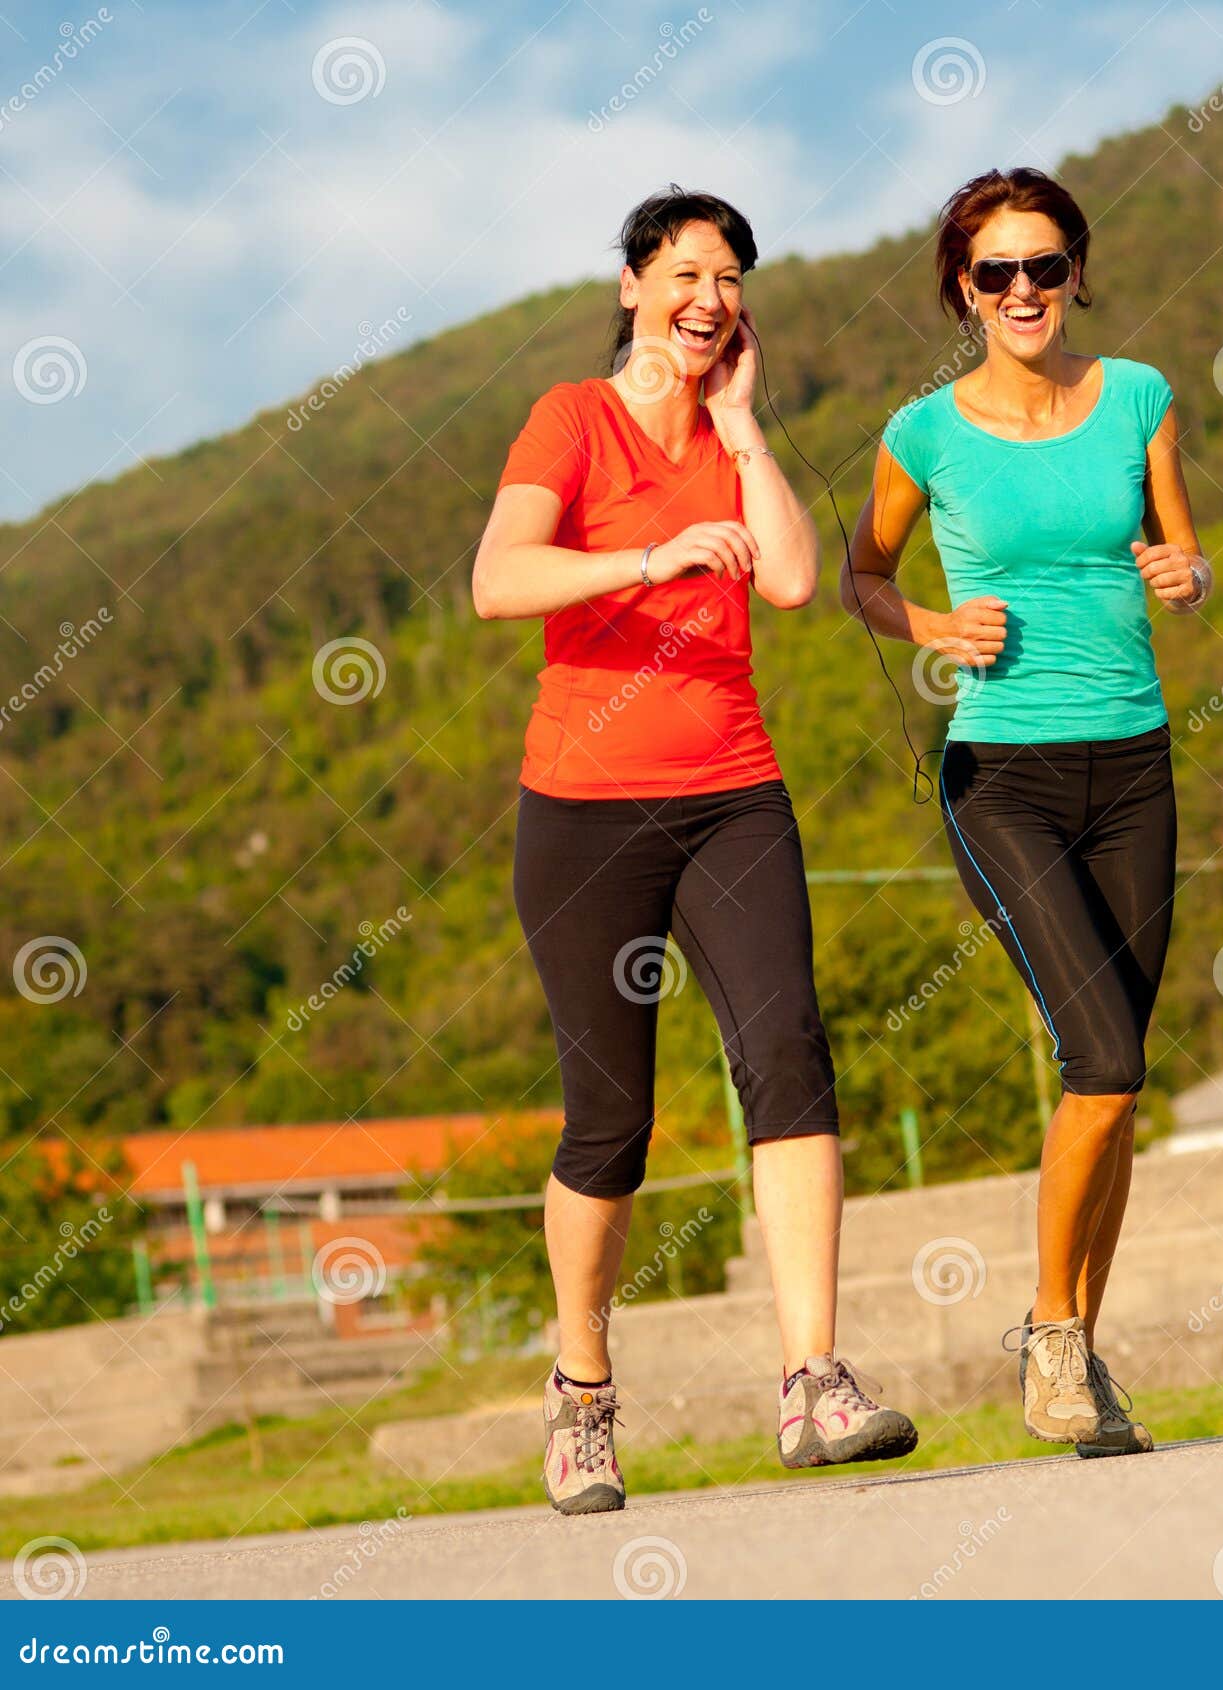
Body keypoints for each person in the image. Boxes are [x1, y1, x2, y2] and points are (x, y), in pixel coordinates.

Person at [473, 187, 917, 1515]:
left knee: (787, 1050)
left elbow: (789, 580)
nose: (707, 295)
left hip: (733, 792)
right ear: (631, 286)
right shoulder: (574, 417)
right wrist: (652, 554)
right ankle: (585, 1389)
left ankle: (812, 1379)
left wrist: (741, 429)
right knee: (613, 1119)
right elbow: (500, 578)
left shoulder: (734, 441)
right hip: (584, 807)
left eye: (727, 275)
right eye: (682, 270)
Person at [842, 167, 1213, 1458]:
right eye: (994, 271)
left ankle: (1075, 1350)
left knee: (1116, 1084)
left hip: (1138, 768)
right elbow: (863, 577)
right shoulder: (923, 434)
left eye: (1042, 266)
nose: (1021, 291)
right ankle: (1054, 1337)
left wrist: (1188, 572)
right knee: (1104, 1060)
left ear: (1074, 273)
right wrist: (936, 627)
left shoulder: (1143, 399)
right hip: (1002, 776)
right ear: (961, 287)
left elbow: (1183, 558)